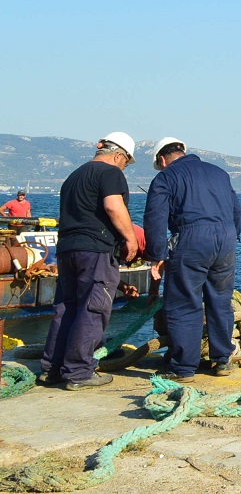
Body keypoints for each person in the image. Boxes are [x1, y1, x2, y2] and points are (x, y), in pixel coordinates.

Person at [40, 132, 140, 390]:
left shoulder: (73, 176)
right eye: (126, 163)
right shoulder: (110, 173)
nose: (123, 167)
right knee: (93, 309)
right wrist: (130, 239)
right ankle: (79, 372)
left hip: (67, 249)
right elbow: (113, 207)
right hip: (95, 249)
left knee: (66, 308)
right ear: (119, 155)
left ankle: (52, 369)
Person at [143, 137, 241, 382]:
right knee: (220, 299)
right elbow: (236, 210)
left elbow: (155, 218)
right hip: (226, 238)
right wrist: (232, 236)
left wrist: (156, 256)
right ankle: (222, 360)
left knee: (183, 302)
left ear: (162, 159)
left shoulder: (165, 177)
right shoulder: (219, 172)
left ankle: (184, 367)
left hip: (192, 237)